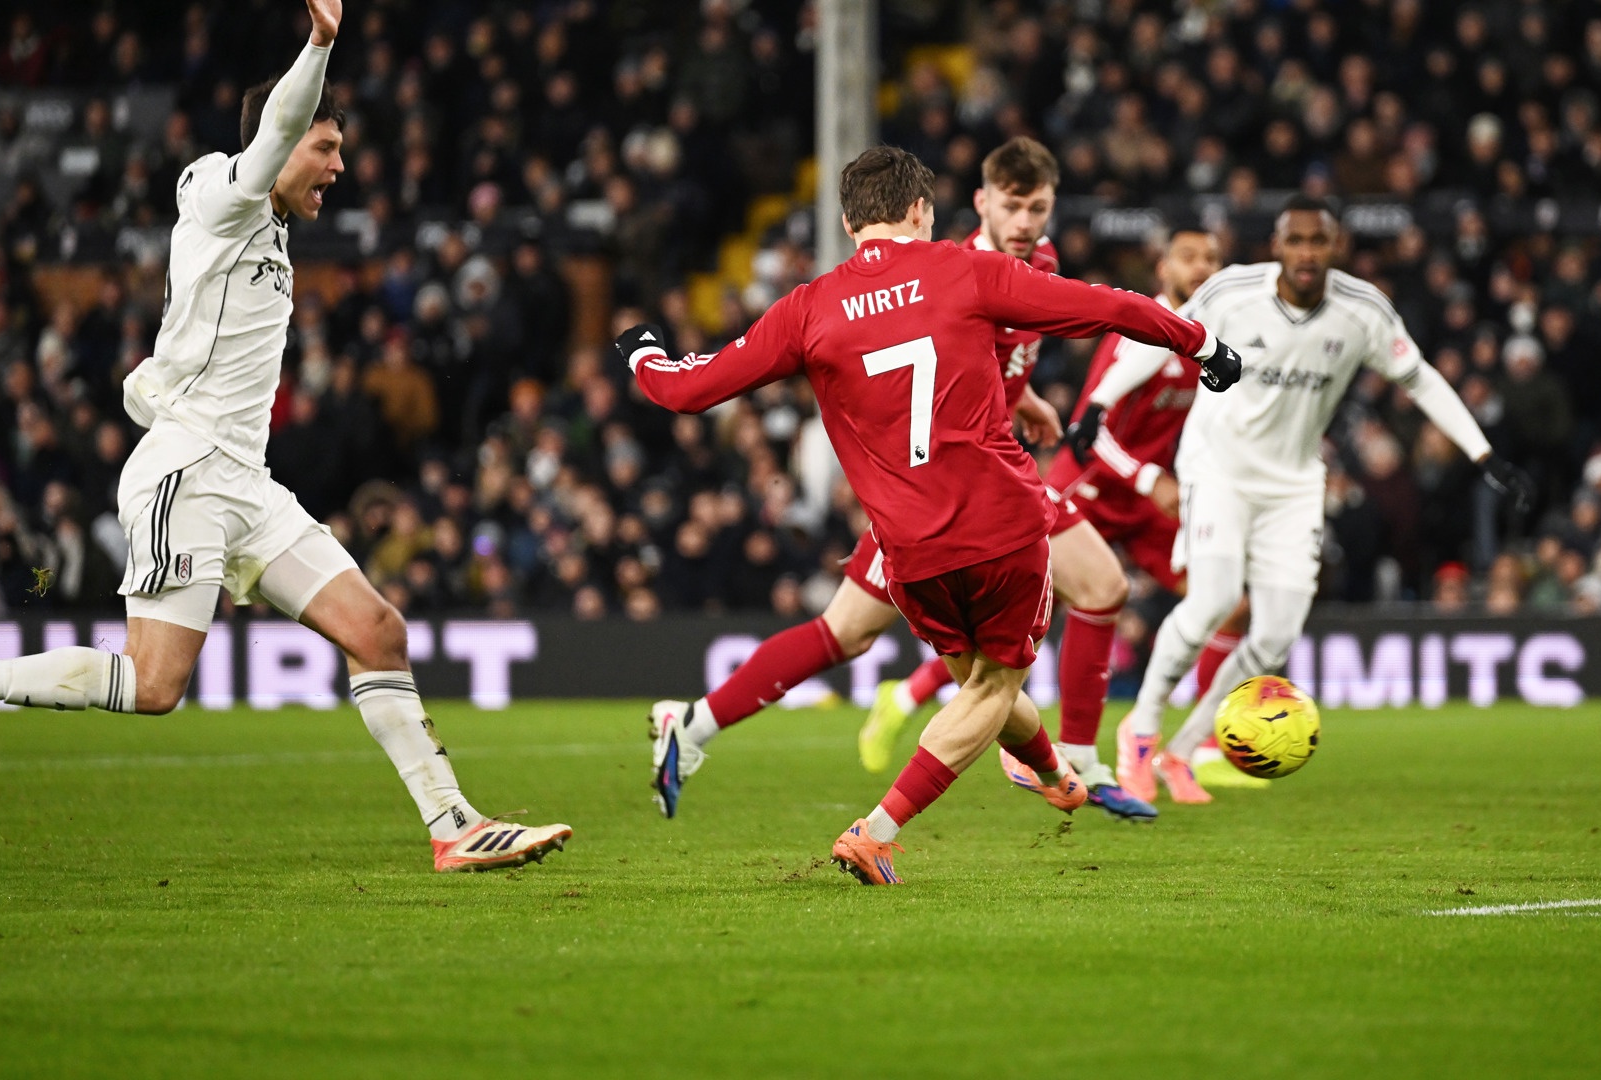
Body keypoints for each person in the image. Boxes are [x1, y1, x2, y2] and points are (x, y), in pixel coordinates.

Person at [0, 1, 570, 875]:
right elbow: (274, 132)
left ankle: (453, 824)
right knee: (155, 685)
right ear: (286, 138)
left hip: (246, 480)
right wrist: (319, 44)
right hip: (187, 473)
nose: (340, 167)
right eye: (328, 147)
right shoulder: (220, 195)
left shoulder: (270, 229)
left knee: (378, 630)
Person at [623, 146, 1241, 884]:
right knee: (1000, 677)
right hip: (1001, 526)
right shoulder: (966, 269)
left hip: (909, 549)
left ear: (848, 222)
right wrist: (1201, 343)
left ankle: (1056, 770)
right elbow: (1108, 306)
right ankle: (880, 829)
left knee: (971, 680)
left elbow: (689, 391)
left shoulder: (808, 307)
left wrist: (642, 355)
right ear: (924, 210)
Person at [1118, 195, 1533, 805]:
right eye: (1296, 240)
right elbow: (1162, 336)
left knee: (1275, 636)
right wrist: (1100, 400)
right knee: (1212, 600)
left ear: (1336, 247)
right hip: (1219, 467)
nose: (1307, 252)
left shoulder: (1362, 311)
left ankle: (1181, 751)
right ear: (1277, 246)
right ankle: (1141, 731)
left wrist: (1482, 453)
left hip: (1294, 482)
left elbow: (1418, 377)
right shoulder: (1233, 291)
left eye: (1319, 240)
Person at [1041, 224, 1261, 798]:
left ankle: (1201, 749)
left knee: (1230, 605)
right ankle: (914, 695)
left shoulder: (1211, 343)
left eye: (1211, 257)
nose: (1201, 267)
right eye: (1188, 256)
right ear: (1163, 267)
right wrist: (1146, 477)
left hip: (1147, 503)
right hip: (1089, 486)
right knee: (1028, 610)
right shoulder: (1141, 331)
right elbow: (1087, 429)